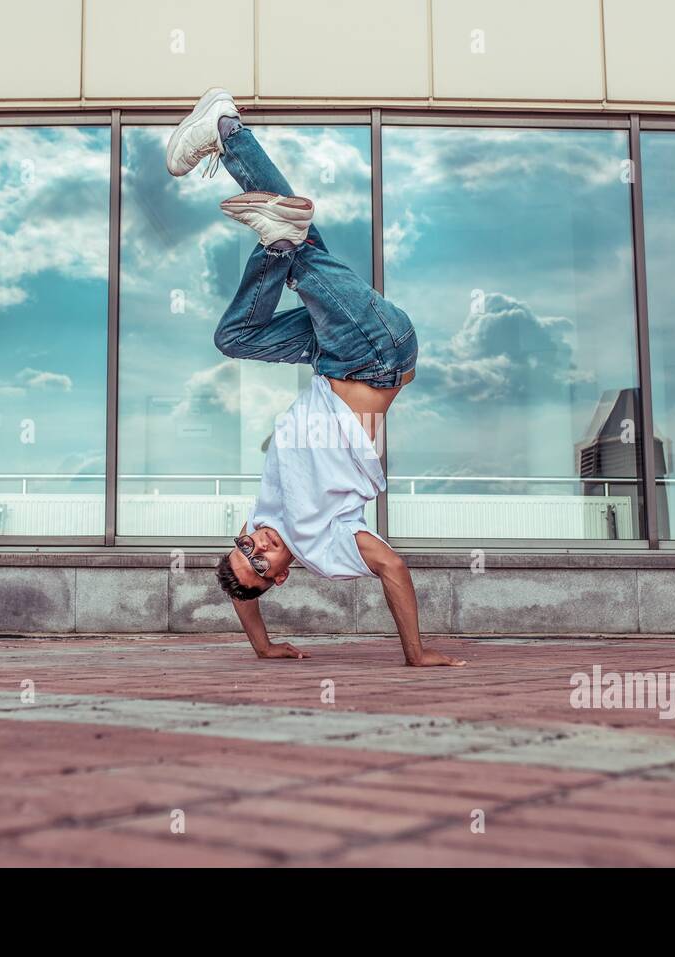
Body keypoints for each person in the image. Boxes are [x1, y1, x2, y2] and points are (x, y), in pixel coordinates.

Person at [166, 88, 465, 668]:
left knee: (236, 337)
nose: (256, 547)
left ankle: (232, 137)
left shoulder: (263, 520)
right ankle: (250, 182)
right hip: (376, 353)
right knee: (296, 249)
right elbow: (393, 569)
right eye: (260, 563)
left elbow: (241, 597)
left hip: (327, 356)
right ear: (281, 579)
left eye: (243, 548)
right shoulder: (324, 548)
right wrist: (415, 654)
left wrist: (264, 645)